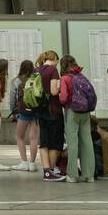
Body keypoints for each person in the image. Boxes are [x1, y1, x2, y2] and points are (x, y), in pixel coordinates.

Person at [59, 55, 95, 183]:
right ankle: (89, 175)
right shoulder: (81, 76)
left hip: (72, 112)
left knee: (73, 143)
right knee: (87, 141)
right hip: (85, 113)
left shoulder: (65, 78)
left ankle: (72, 175)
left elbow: (63, 98)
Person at [37, 50, 66, 182]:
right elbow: (54, 91)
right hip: (53, 110)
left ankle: (46, 171)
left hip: (40, 111)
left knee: (44, 142)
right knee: (55, 142)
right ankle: (52, 170)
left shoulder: (36, 70)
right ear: (54, 59)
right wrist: (61, 88)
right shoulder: (52, 70)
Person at [7, 60, 39, 171]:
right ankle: (32, 163)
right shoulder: (36, 79)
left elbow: (12, 98)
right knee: (34, 138)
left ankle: (24, 162)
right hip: (35, 111)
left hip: (23, 112)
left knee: (20, 137)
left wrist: (13, 112)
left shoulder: (16, 81)